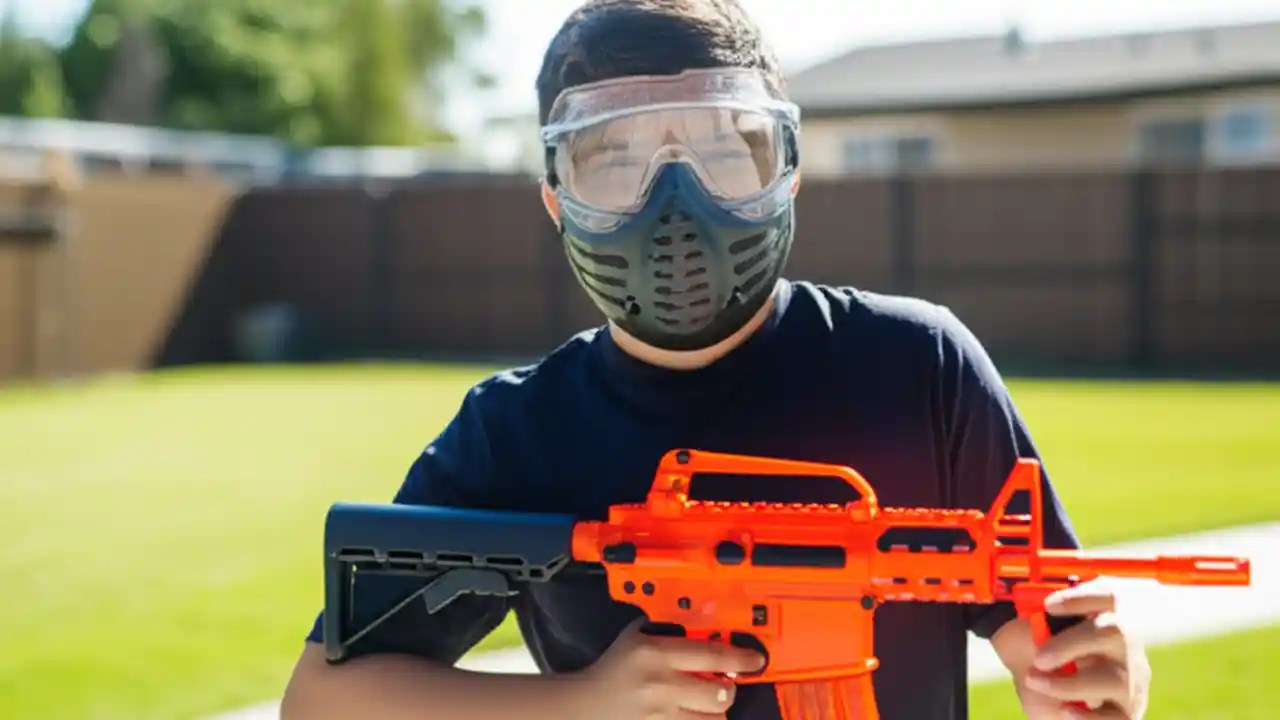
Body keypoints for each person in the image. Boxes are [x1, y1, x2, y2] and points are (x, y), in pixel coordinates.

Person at [281, 1, 1152, 718]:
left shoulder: (920, 369)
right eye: (614, 161)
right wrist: (586, 704)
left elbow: (1062, 640)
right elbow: (321, 700)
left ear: (787, 170)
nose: (674, 205)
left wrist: (1098, 685)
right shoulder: (516, 432)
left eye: (723, 152)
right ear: (556, 199)